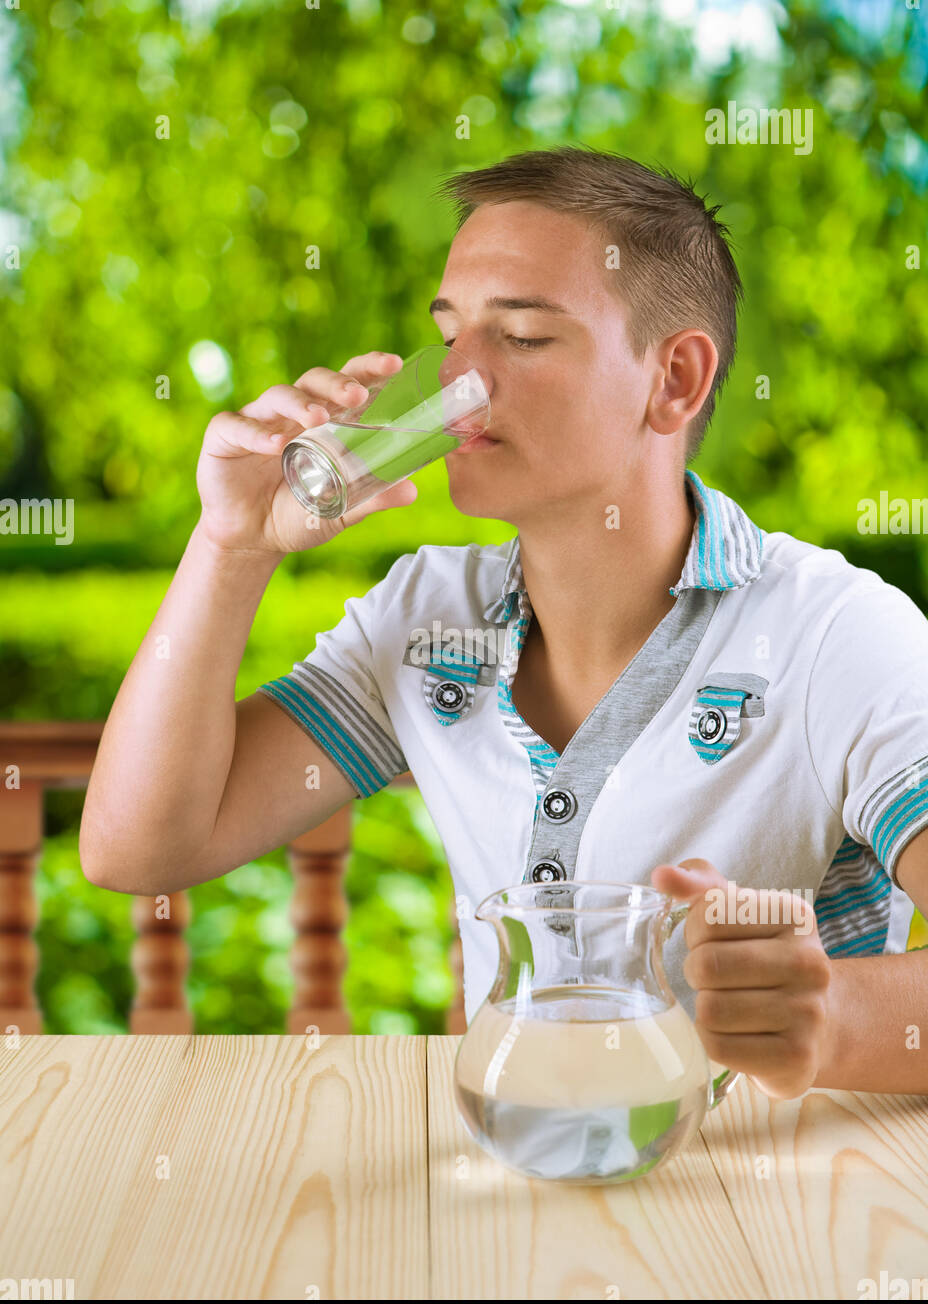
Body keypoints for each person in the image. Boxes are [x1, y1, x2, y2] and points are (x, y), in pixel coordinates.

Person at [80, 146, 928, 1098]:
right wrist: (232, 547)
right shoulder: (427, 621)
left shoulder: (835, 635)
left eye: (521, 337)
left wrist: (834, 1019)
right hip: (515, 1184)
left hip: (774, 1212)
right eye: (451, 334)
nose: (460, 385)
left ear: (676, 381)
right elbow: (138, 849)